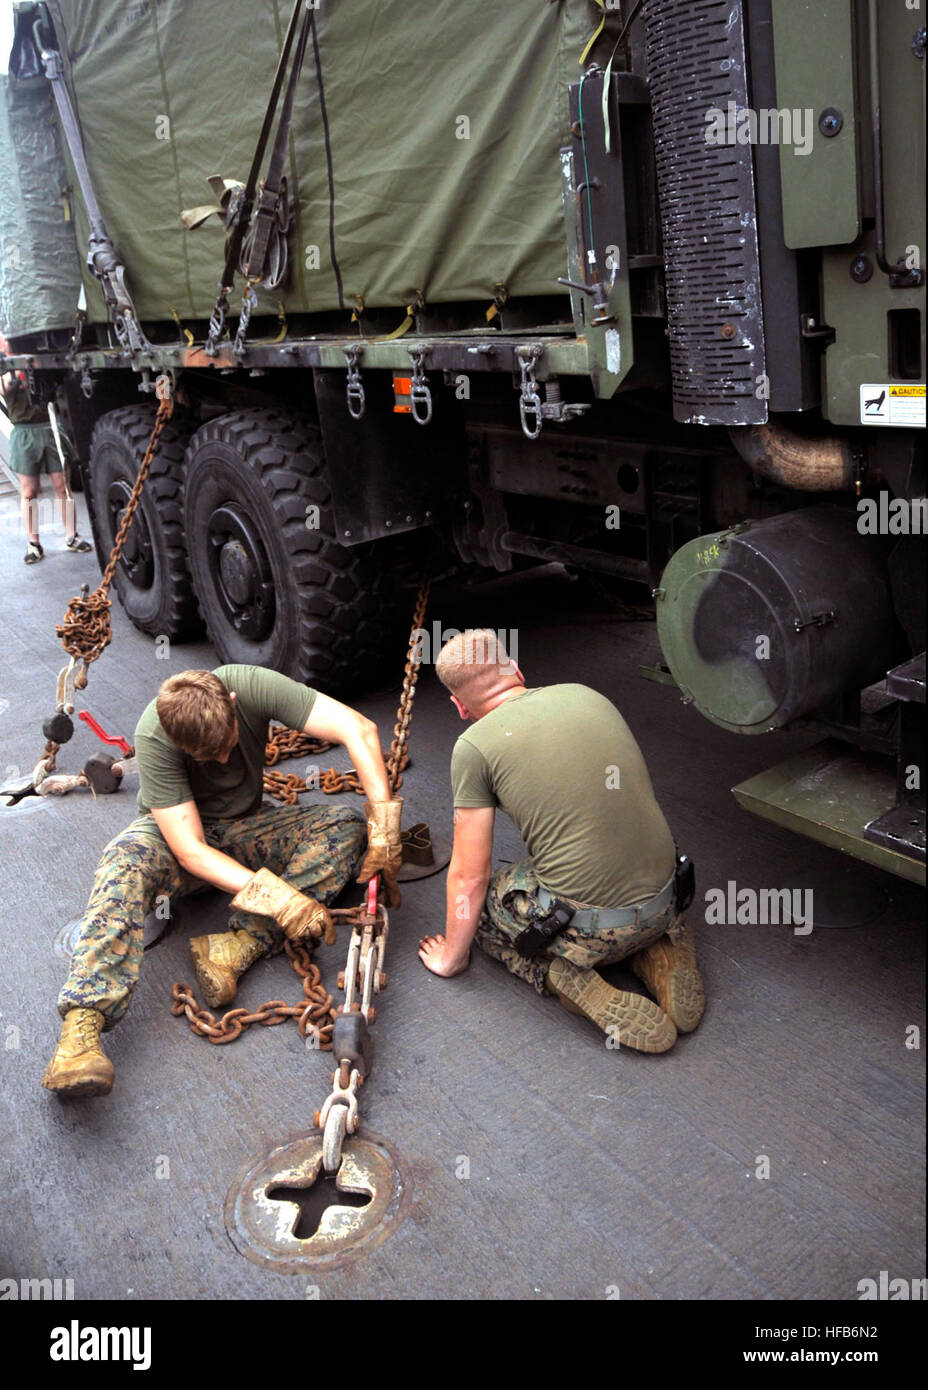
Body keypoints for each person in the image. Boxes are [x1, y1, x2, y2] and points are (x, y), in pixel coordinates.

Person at [41, 665, 403, 1098]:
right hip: (178, 837)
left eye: (228, 746)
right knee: (124, 860)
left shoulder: (250, 685)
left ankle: (236, 945)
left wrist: (384, 832)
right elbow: (191, 849)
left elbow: (357, 728)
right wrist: (283, 900)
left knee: (343, 826)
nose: (224, 761)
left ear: (232, 705)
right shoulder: (155, 734)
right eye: (208, 758)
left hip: (245, 828)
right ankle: (81, 1030)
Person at [418, 629, 704, 1052]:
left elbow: (468, 876)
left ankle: (561, 974)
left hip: (594, 931)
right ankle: (658, 949)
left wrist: (451, 958)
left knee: (480, 913)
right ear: (516, 671)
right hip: (668, 897)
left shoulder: (474, 747)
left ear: (459, 706)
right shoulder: (586, 694)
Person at [1, 368, 91, 562]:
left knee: (62, 485)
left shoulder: (38, 359)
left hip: (50, 426)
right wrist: (16, 371)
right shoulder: (7, 366)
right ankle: (34, 544)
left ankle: (72, 536)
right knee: (29, 491)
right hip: (24, 431)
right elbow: (3, 389)